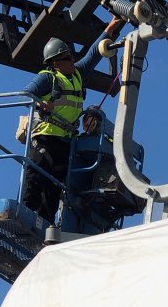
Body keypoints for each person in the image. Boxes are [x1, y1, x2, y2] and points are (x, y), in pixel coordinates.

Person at [20, 37, 105, 223]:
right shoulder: (48, 78)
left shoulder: (77, 74)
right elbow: (25, 94)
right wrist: (42, 104)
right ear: (57, 63)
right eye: (69, 57)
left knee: (52, 193)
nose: (73, 60)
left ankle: (43, 230)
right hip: (46, 139)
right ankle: (21, 221)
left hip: (65, 143)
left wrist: (112, 28)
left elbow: (94, 53)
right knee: (34, 185)